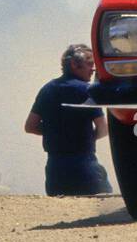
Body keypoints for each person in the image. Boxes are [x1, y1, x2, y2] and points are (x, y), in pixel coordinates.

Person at [25, 44, 111, 196]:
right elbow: (103, 128)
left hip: (55, 169)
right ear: (74, 65)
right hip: (85, 166)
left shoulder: (47, 89)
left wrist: (55, 132)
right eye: (90, 64)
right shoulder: (87, 90)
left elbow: (30, 126)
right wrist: (86, 137)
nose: (94, 69)